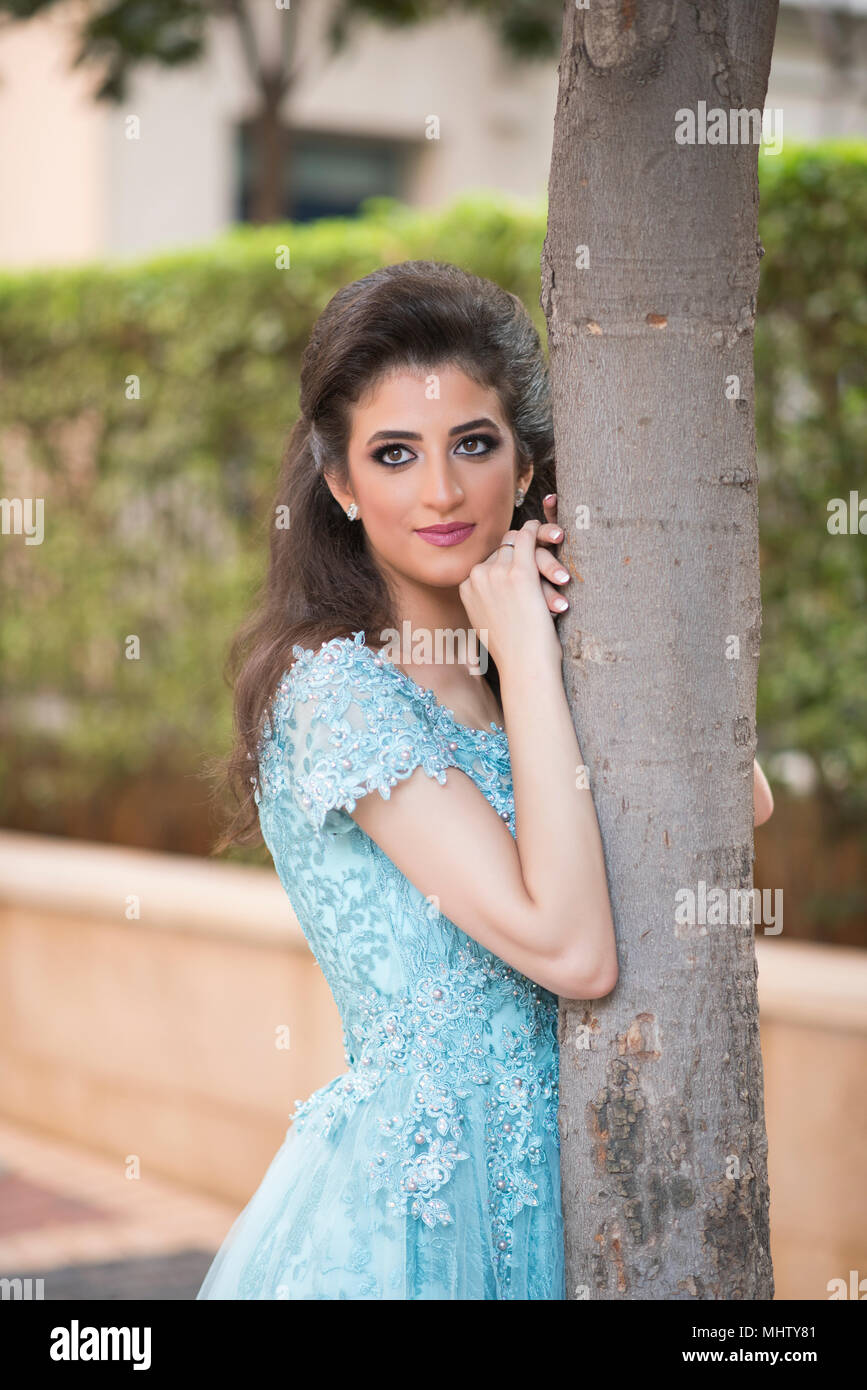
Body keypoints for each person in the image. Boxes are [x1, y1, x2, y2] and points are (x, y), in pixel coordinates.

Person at [196, 260, 769, 1301]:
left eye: (473, 444)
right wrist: (533, 658)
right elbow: (574, 953)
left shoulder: (519, 680)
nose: (443, 492)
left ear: (525, 461)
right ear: (340, 485)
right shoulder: (336, 697)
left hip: (581, 1191)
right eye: (394, 454)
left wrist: (589, 632)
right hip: (415, 1225)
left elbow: (742, 805)